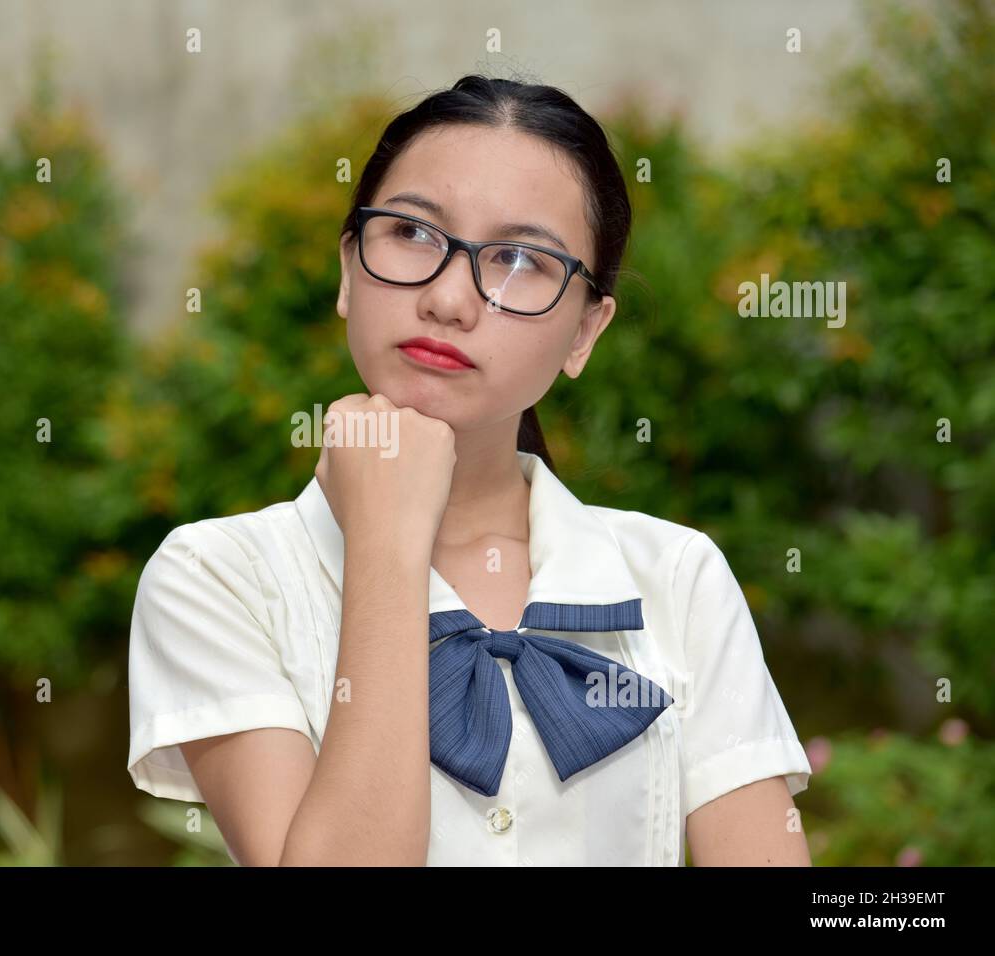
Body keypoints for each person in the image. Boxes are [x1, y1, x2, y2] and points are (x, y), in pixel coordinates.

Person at [127, 74, 812, 866]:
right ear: (349, 269)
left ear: (586, 331)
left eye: (521, 259)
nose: (452, 298)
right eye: (413, 234)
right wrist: (385, 544)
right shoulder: (219, 578)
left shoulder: (679, 580)